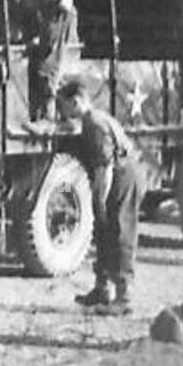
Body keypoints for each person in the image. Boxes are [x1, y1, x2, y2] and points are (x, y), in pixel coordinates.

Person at [57, 76, 142, 313]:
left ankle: (124, 298)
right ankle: (103, 289)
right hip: (118, 174)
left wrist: (100, 200)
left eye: (63, 105)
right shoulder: (93, 119)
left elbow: (105, 167)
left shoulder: (94, 123)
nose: (61, 111)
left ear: (75, 102)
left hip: (122, 176)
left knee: (119, 231)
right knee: (104, 231)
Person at [0, 0, 77, 121]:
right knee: (41, 70)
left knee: (48, 70)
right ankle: (41, 116)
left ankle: (49, 120)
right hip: (47, 19)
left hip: (59, 14)